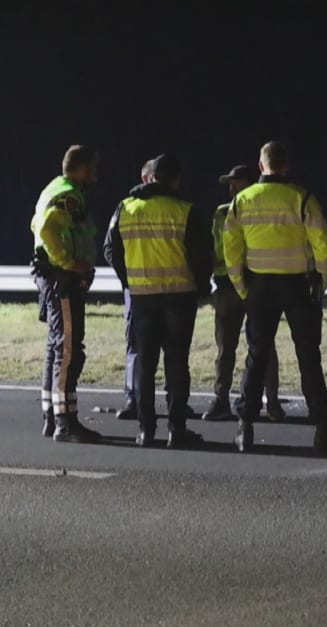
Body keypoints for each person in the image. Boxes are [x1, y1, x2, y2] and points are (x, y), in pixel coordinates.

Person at [223, 141, 327, 452]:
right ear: (287, 166)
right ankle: (323, 428)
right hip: (298, 286)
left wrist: (242, 287)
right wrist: (321, 283)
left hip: (259, 287)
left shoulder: (242, 200)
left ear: (261, 166)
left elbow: (231, 249)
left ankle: (245, 428)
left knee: (257, 355)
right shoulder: (302, 198)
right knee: (309, 356)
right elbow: (323, 243)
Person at [104, 154, 211, 448]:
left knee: (144, 364)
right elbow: (203, 255)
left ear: (150, 177)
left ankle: (145, 430)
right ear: (175, 179)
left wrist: (129, 281)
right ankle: (176, 430)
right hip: (179, 297)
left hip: (142, 298)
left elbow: (110, 250)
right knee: (177, 363)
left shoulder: (124, 208)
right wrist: (202, 287)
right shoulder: (186, 211)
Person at [30, 145, 103, 443]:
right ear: (83, 168)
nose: (96, 175)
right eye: (93, 169)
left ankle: (51, 416)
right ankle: (65, 422)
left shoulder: (53, 188)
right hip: (63, 280)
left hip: (51, 277)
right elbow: (47, 228)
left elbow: (35, 223)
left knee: (56, 347)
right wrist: (69, 263)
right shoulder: (70, 194)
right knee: (69, 350)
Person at [203, 165, 285, 422]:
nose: (230, 188)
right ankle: (225, 399)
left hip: (250, 285)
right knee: (229, 347)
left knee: (261, 345)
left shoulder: (244, 211)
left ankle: (269, 400)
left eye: (235, 183)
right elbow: (215, 248)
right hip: (233, 286)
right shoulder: (222, 212)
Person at [115, 159, 155, 422]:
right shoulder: (128, 206)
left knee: (162, 349)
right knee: (136, 345)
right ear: (145, 178)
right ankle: (133, 397)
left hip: (150, 289)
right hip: (142, 289)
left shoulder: (127, 207)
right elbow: (113, 248)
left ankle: (162, 400)